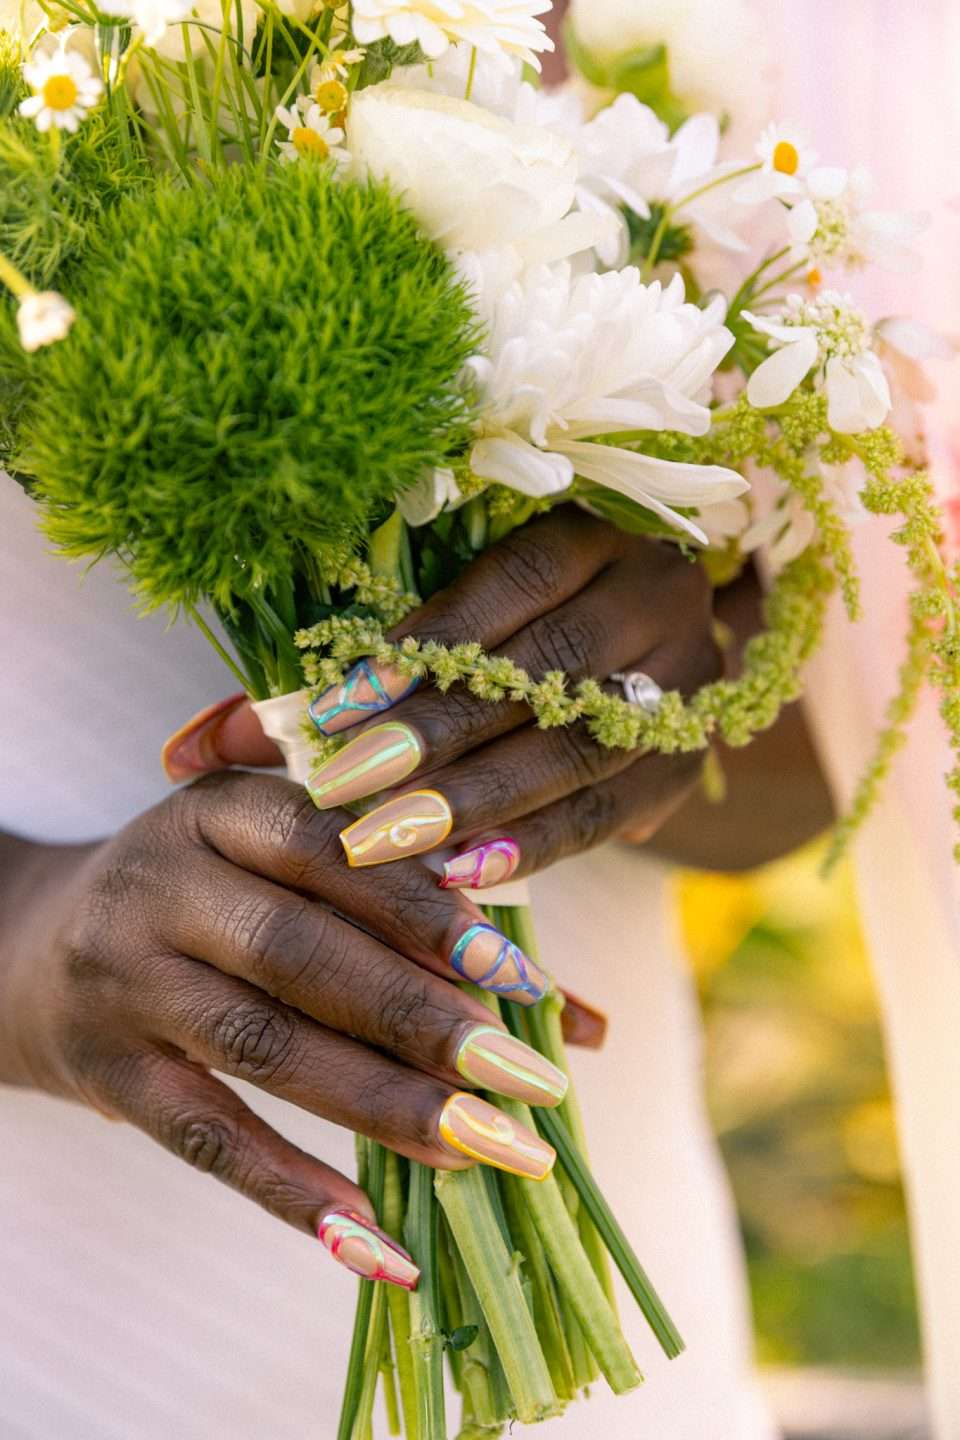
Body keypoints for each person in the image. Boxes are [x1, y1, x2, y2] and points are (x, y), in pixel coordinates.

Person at [0, 455, 833, 1437]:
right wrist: (26, 927)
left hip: (626, 1179)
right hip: (64, 1302)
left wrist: (671, 681)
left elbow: (827, 772)